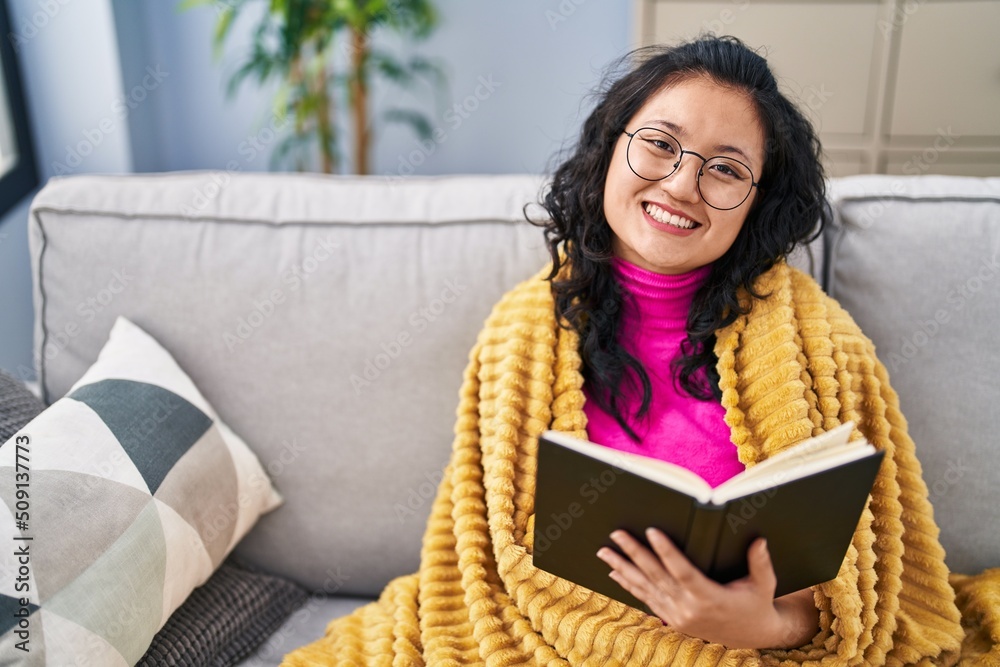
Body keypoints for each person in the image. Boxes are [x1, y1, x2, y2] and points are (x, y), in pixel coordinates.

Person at [284, 34, 995, 666]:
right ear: (611, 148)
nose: (682, 183)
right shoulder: (519, 333)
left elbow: (868, 580)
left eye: (725, 169)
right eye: (660, 143)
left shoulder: (823, 343)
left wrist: (767, 625)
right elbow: (484, 561)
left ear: (756, 201)